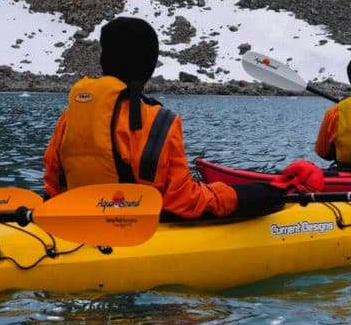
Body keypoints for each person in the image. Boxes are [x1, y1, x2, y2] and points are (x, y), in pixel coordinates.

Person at [43, 16, 298, 219]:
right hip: (138, 226)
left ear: (104, 61)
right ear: (148, 66)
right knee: (261, 195)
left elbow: (53, 187)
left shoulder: (71, 116)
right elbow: (182, 200)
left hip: (78, 221)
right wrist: (248, 195)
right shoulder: (159, 121)